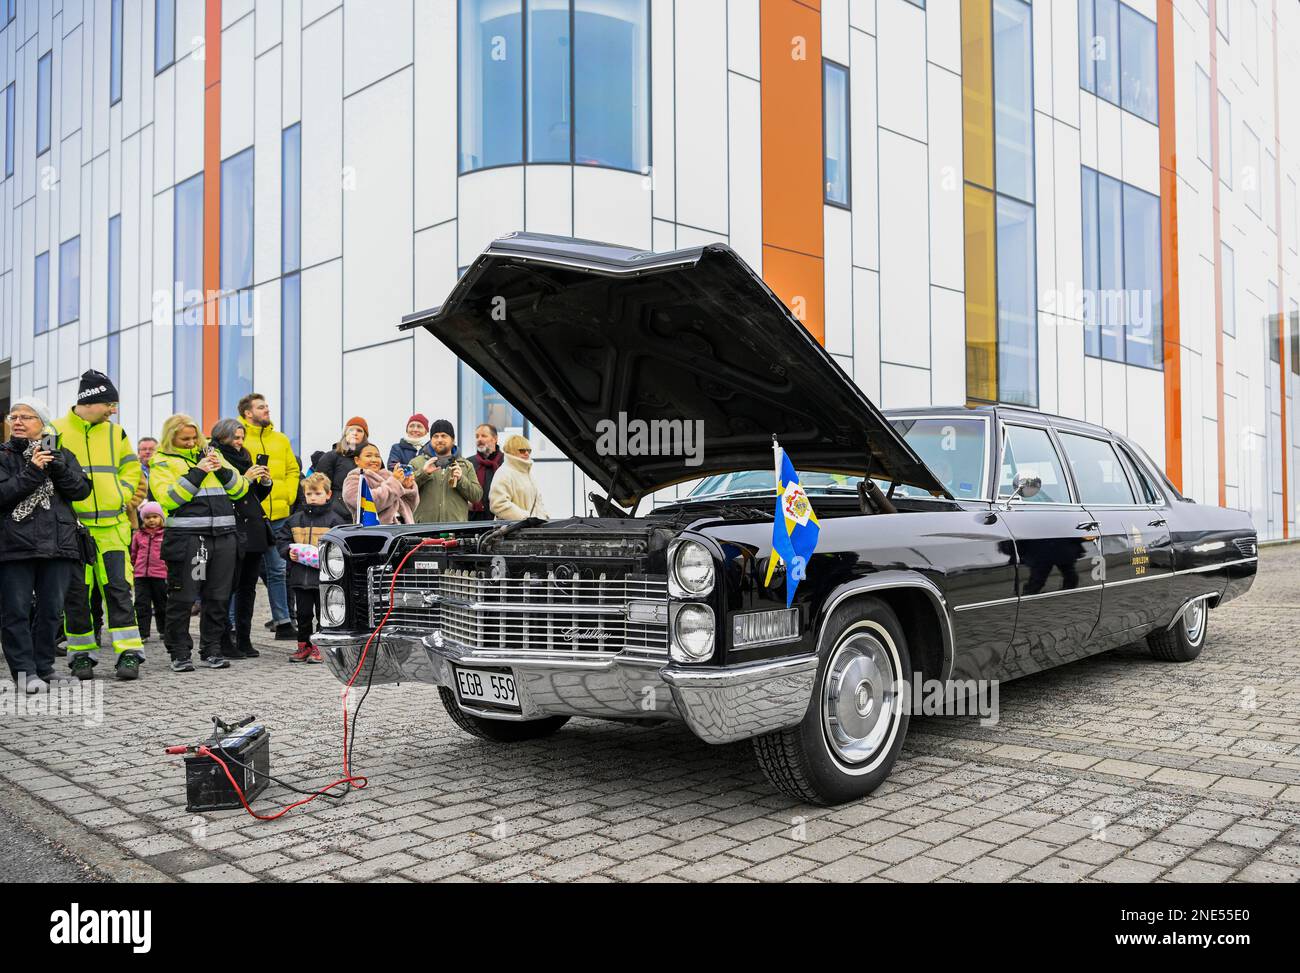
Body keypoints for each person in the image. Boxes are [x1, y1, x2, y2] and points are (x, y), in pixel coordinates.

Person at [55, 370, 146, 681]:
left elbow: (132, 468)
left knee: (119, 592)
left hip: (112, 528)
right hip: (73, 530)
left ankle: (129, 653)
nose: (113, 410)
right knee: (77, 596)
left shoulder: (116, 433)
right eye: (109, 403)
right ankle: (81, 656)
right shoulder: (55, 430)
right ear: (89, 401)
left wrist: (120, 494)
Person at [0, 398, 92, 692]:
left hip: (58, 543)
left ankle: (44, 667)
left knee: (52, 610)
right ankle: (25, 673)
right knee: (15, 611)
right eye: (14, 416)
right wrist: (33, 471)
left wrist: (58, 467)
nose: (18, 421)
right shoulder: (2, 456)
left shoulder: (62, 454)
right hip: (14, 545)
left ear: (43, 424)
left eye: (26, 416)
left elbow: (81, 490)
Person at [149, 415, 249, 672]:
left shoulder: (211, 453)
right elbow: (169, 499)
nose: (192, 442)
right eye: (185, 439)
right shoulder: (161, 461)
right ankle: (180, 652)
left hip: (224, 537)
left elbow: (240, 489)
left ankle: (212, 650)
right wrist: (199, 471)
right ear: (171, 438)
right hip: (191, 540)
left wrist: (222, 469)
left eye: (195, 437)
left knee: (217, 597)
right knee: (184, 598)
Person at [211, 418, 274, 659]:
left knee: (248, 588)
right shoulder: (215, 457)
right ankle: (224, 638)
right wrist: (246, 477)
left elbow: (253, 494)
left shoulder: (245, 456)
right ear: (222, 436)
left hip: (253, 528)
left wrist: (265, 482)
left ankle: (244, 639)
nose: (239, 442)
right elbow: (229, 491)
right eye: (235, 437)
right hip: (231, 527)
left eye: (241, 437)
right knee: (228, 586)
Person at [238, 394, 299, 641]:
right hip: (252, 516)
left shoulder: (281, 439)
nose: (267, 410)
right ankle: (234, 627)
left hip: (281, 514)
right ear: (247, 413)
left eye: (267, 406)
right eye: (261, 407)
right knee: (244, 574)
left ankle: (283, 622)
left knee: (278, 570)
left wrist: (288, 495)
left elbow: (293, 469)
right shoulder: (238, 437)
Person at [275, 474, 349, 663]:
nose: (313, 497)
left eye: (317, 493)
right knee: (303, 614)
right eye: (309, 493)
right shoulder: (294, 520)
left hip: (325, 579)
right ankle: (304, 645)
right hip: (300, 578)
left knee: (323, 614)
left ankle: (320, 647)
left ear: (328, 494)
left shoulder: (335, 521)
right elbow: (282, 539)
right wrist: (286, 551)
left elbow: (342, 545)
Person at [412, 419, 481, 524]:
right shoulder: (417, 463)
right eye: (435, 436)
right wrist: (423, 474)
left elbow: (476, 496)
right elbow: (405, 491)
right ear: (430, 440)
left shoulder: (466, 465)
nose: (439, 440)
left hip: (454, 532)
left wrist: (461, 479)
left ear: (453, 440)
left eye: (444, 436)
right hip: (423, 531)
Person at [342, 443, 418, 525]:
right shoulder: (353, 479)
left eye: (377, 456)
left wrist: (407, 487)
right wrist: (394, 483)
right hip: (377, 532)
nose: (374, 460)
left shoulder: (389, 477)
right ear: (357, 460)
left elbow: (410, 507)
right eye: (368, 456)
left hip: (404, 529)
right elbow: (366, 504)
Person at [129, 501, 168, 642]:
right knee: (141, 604)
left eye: (155, 517)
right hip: (141, 575)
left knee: (161, 604)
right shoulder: (138, 535)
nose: (151, 520)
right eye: (147, 517)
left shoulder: (165, 535)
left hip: (160, 575)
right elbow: (134, 553)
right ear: (143, 519)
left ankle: (164, 630)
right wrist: (134, 567)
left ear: (161, 518)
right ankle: (142, 632)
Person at [489, 434, 549, 521]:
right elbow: (498, 504)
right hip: (511, 531)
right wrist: (526, 518)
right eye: (522, 450)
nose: (526, 453)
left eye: (529, 450)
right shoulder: (504, 473)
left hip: (530, 529)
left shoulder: (528, 474)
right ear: (511, 451)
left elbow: (538, 503)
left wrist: (544, 518)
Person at [315, 418, 370, 499]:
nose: (355, 433)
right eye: (351, 430)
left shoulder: (373, 458)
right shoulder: (330, 457)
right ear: (345, 434)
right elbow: (319, 487)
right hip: (336, 509)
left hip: (367, 507)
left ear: (364, 436)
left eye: (359, 430)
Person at [468, 423, 504, 521]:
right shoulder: (469, 463)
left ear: (495, 439)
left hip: (501, 519)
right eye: (477, 436)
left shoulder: (505, 462)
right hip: (474, 520)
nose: (479, 439)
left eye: (484, 436)